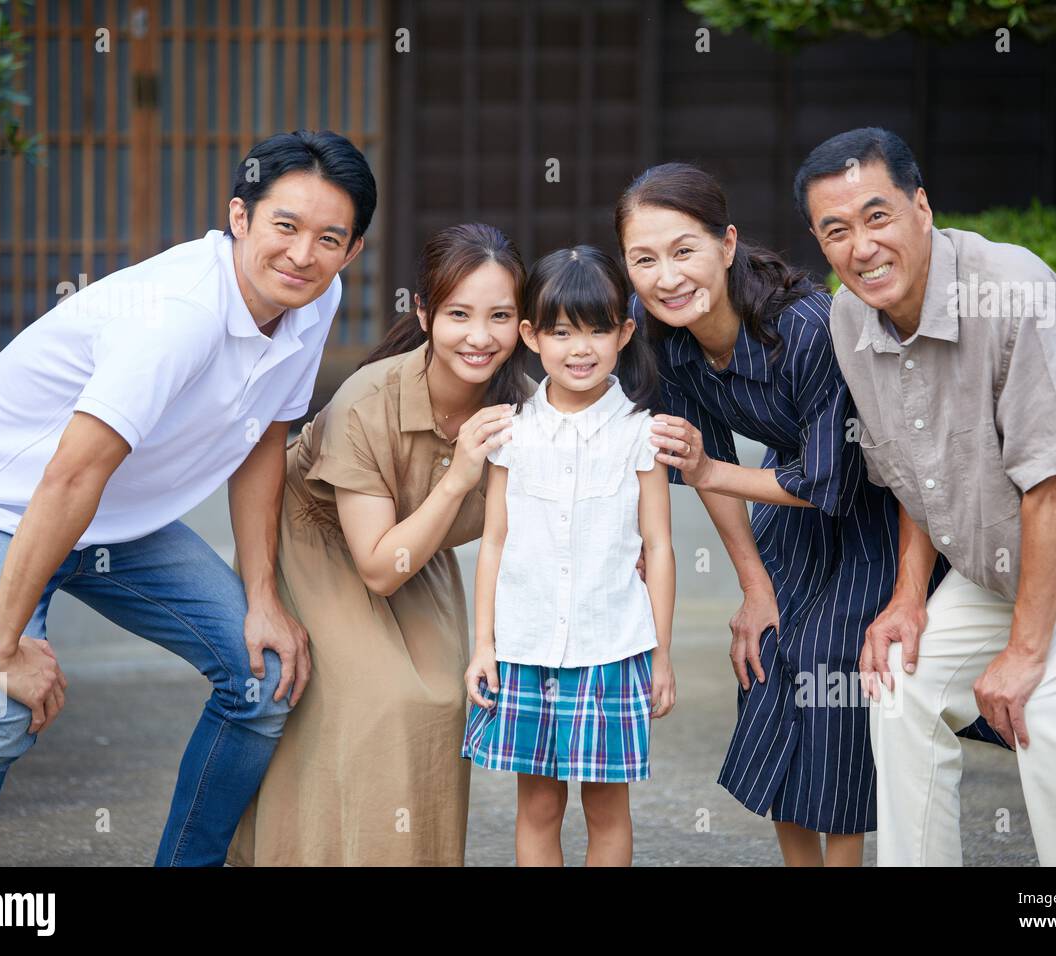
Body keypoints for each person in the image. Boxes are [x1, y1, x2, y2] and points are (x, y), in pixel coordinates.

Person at [0, 130, 375, 866]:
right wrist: (5, 649)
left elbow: (265, 438)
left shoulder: (315, 300)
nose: (302, 254)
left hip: (117, 521)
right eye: (284, 226)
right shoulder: (176, 315)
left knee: (263, 682)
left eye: (328, 239)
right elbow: (69, 477)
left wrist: (262, 597)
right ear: (240, 218)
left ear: (350, 253)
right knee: (2, 711)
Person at [798, 126, 1056, 865]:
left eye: (878, 215)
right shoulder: (848, 318)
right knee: (899, 683)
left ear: (923, 207)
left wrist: (1025, 649)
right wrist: (907, 599)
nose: (861, 246)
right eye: (837, 230)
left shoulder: (1011, 290)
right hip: (1020, 554)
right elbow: (913, 474)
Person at [615, 162, 1005, 867]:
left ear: (726, 245)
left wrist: (711, 468)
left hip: (879, 508)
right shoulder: (657, 332)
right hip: (786, 502)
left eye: (684, 251)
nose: (666, 276)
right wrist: (753, 587)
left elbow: (826, 477)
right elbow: (707, 467)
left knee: (831, 669)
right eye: (644, 259)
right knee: (765, 656)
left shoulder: (805, 329)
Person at [227, 223, 535, 866]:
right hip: (318, 540)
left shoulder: (526, 408)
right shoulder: (367, 400)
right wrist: (460, 476)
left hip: (415, 552)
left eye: (500, 316)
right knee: (382, 698)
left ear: (524, 325)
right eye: (459, 314)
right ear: (424, 313)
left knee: (445, 696)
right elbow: (377, 568)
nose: (480, 337)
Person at [460, 245, 676, 867]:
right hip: (526, 649)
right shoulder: (511, 428)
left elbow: (659, 547)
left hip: (612, 650)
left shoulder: (642, 430)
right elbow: (494, 541)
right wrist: (483, 645)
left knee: (608, 812)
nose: (580, 349)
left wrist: (659, 655)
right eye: (560, 332)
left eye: (597, 330)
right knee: (539, 810)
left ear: (625, 332)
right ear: (530, 336)